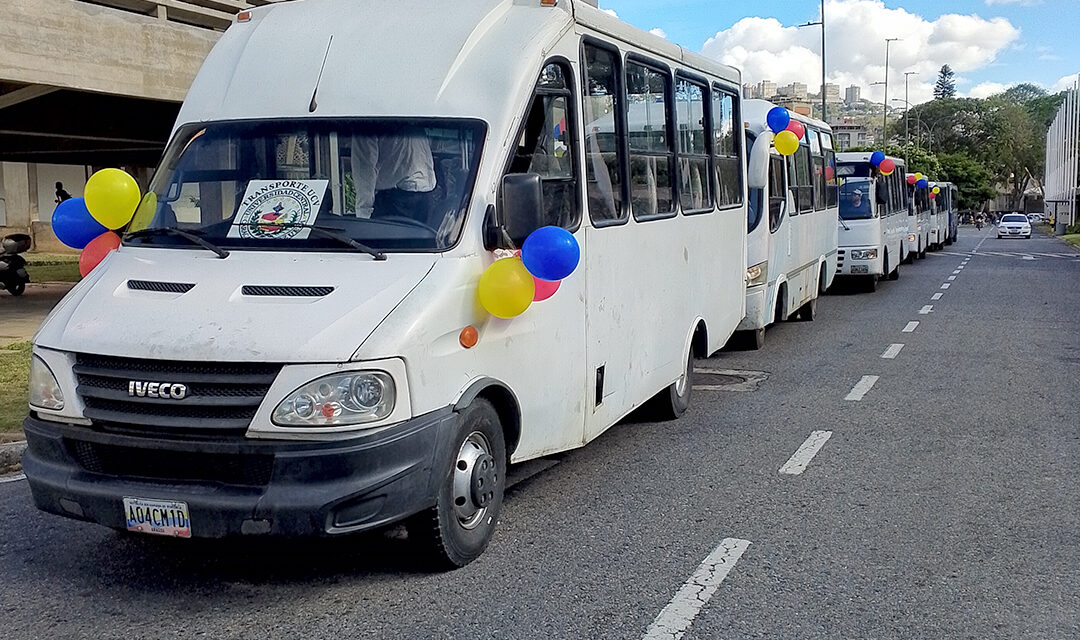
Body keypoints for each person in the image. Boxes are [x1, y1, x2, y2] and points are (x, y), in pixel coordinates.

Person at [349, 127, 436, 219]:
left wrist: (364, 213)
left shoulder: (365, 121)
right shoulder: (411, 117)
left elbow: (365, 168)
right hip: (427, 195)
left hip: (396, 199)